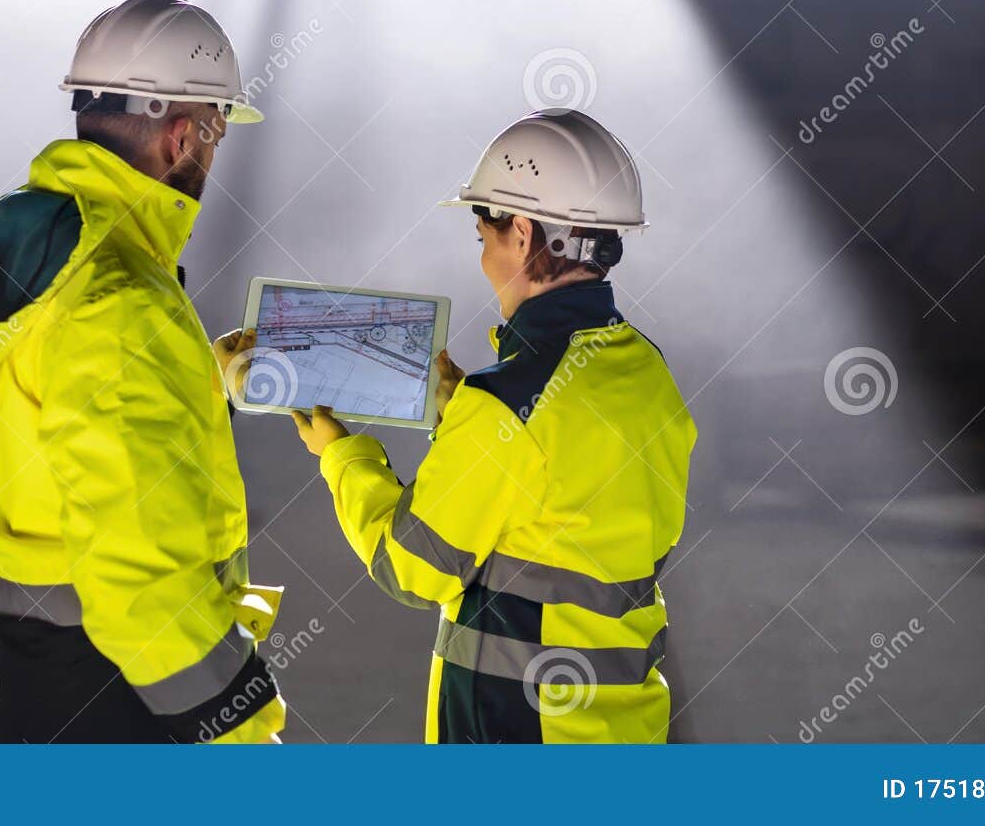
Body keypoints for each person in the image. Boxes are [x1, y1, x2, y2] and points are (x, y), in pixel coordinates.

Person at [0, 0, 285, 743]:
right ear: (182, 136)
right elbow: (142, 578)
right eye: (214, 136)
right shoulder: (122, 301)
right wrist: (245, 730)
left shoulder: (31, 248)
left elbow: (48, 411)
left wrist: (194, 383)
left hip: (14, 665)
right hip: (117, 691)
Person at [288, 108, 698, 742]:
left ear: (524, 234)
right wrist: (469, 418)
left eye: (484, 237)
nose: (483, 259)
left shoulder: (504, 401)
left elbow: (411, 569)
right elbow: (574, 512)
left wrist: (342, 456)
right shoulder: (646, 370)